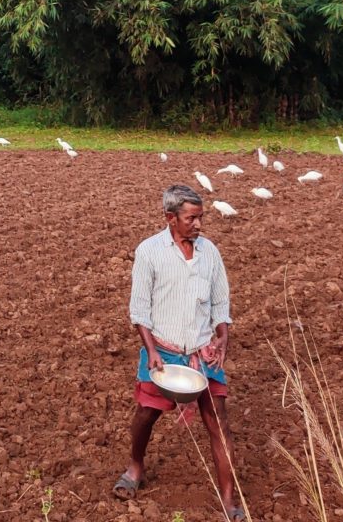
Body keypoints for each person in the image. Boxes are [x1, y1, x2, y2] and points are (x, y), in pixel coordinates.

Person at [114, 184, 241, 520]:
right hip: (164, 352)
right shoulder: (150, 252)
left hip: (203, 352)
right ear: (170, 218)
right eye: (191, 218)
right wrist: (151, 351)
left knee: (219, 423)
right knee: (146, 414)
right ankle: (135, 465)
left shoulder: (209, 252)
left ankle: (229, 501)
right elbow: (139, 310)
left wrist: (223, 337)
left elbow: (220, 303)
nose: (198, 224)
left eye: (200, 217)